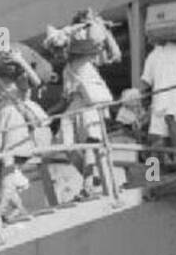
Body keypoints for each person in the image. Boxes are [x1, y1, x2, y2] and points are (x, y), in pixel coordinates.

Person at [46, 13, 122, 195]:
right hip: (75, 106)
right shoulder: (67, 69)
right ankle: (93, 178)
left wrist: (104, 29)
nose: (59, 54)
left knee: (92, 141)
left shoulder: (87, 59)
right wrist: (47, 114)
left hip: (90, 104)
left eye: (60, 50)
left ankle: (90, 183)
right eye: (56, 52)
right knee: (65, 144)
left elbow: (116, 55)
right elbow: (65, 99)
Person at [0, 33, 50, 222]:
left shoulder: (16, 75)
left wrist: (20, 61)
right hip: (2, 120)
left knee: (8, 161)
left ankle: (1, 206)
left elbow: (36, 82)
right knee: (4, 166)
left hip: (14, 118)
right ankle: (16, 207)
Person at [140, 35, 176, 152]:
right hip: (160, 100)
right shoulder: (151, 56)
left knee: (171, 120)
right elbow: (145, 82)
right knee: (154, 138)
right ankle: (153, 170)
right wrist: (139, 103)